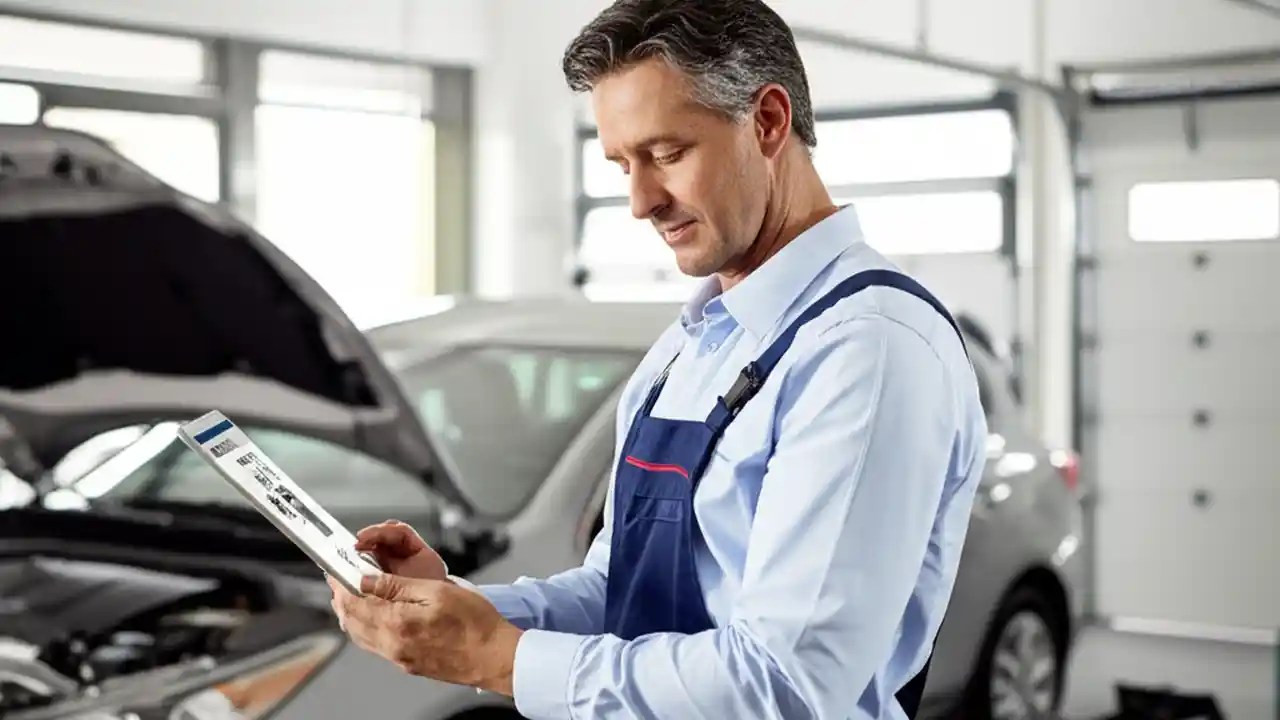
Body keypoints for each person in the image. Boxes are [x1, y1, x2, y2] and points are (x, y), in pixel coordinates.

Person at [327, 0, 988, 718]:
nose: (641, 201)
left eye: (667, 155)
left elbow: (789, 687)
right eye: (621, 165)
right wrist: (464, 613)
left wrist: (500, 658)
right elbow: (622, 591)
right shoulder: (692, 344)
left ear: (767, 122)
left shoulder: (868, 350)